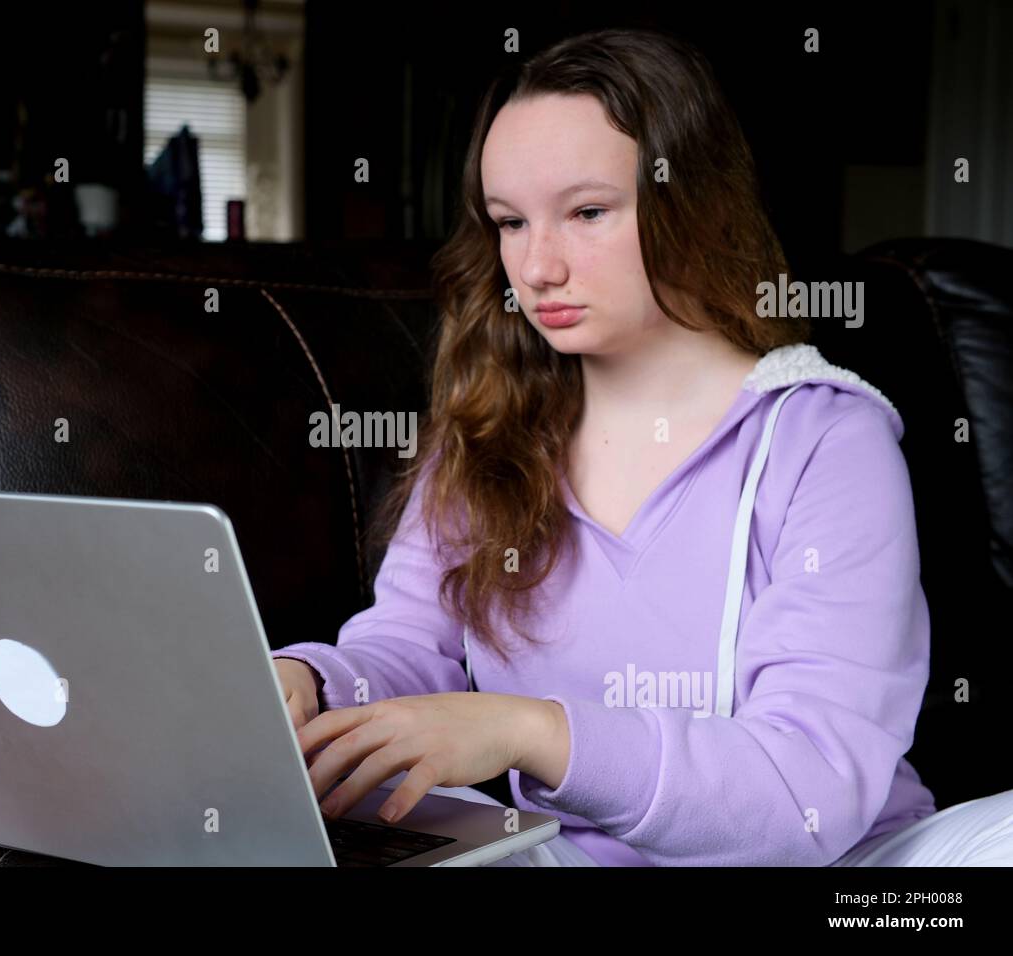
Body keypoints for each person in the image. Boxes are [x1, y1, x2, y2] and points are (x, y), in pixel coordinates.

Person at [272, 27, 1013, 866]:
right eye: (510, 222)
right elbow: (408, 646)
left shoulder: (826, 440)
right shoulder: (485, 433)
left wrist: (532, 730)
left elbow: (809, 791)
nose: (538, 266)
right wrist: (311, 684)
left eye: (586, 212)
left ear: (690, 204)